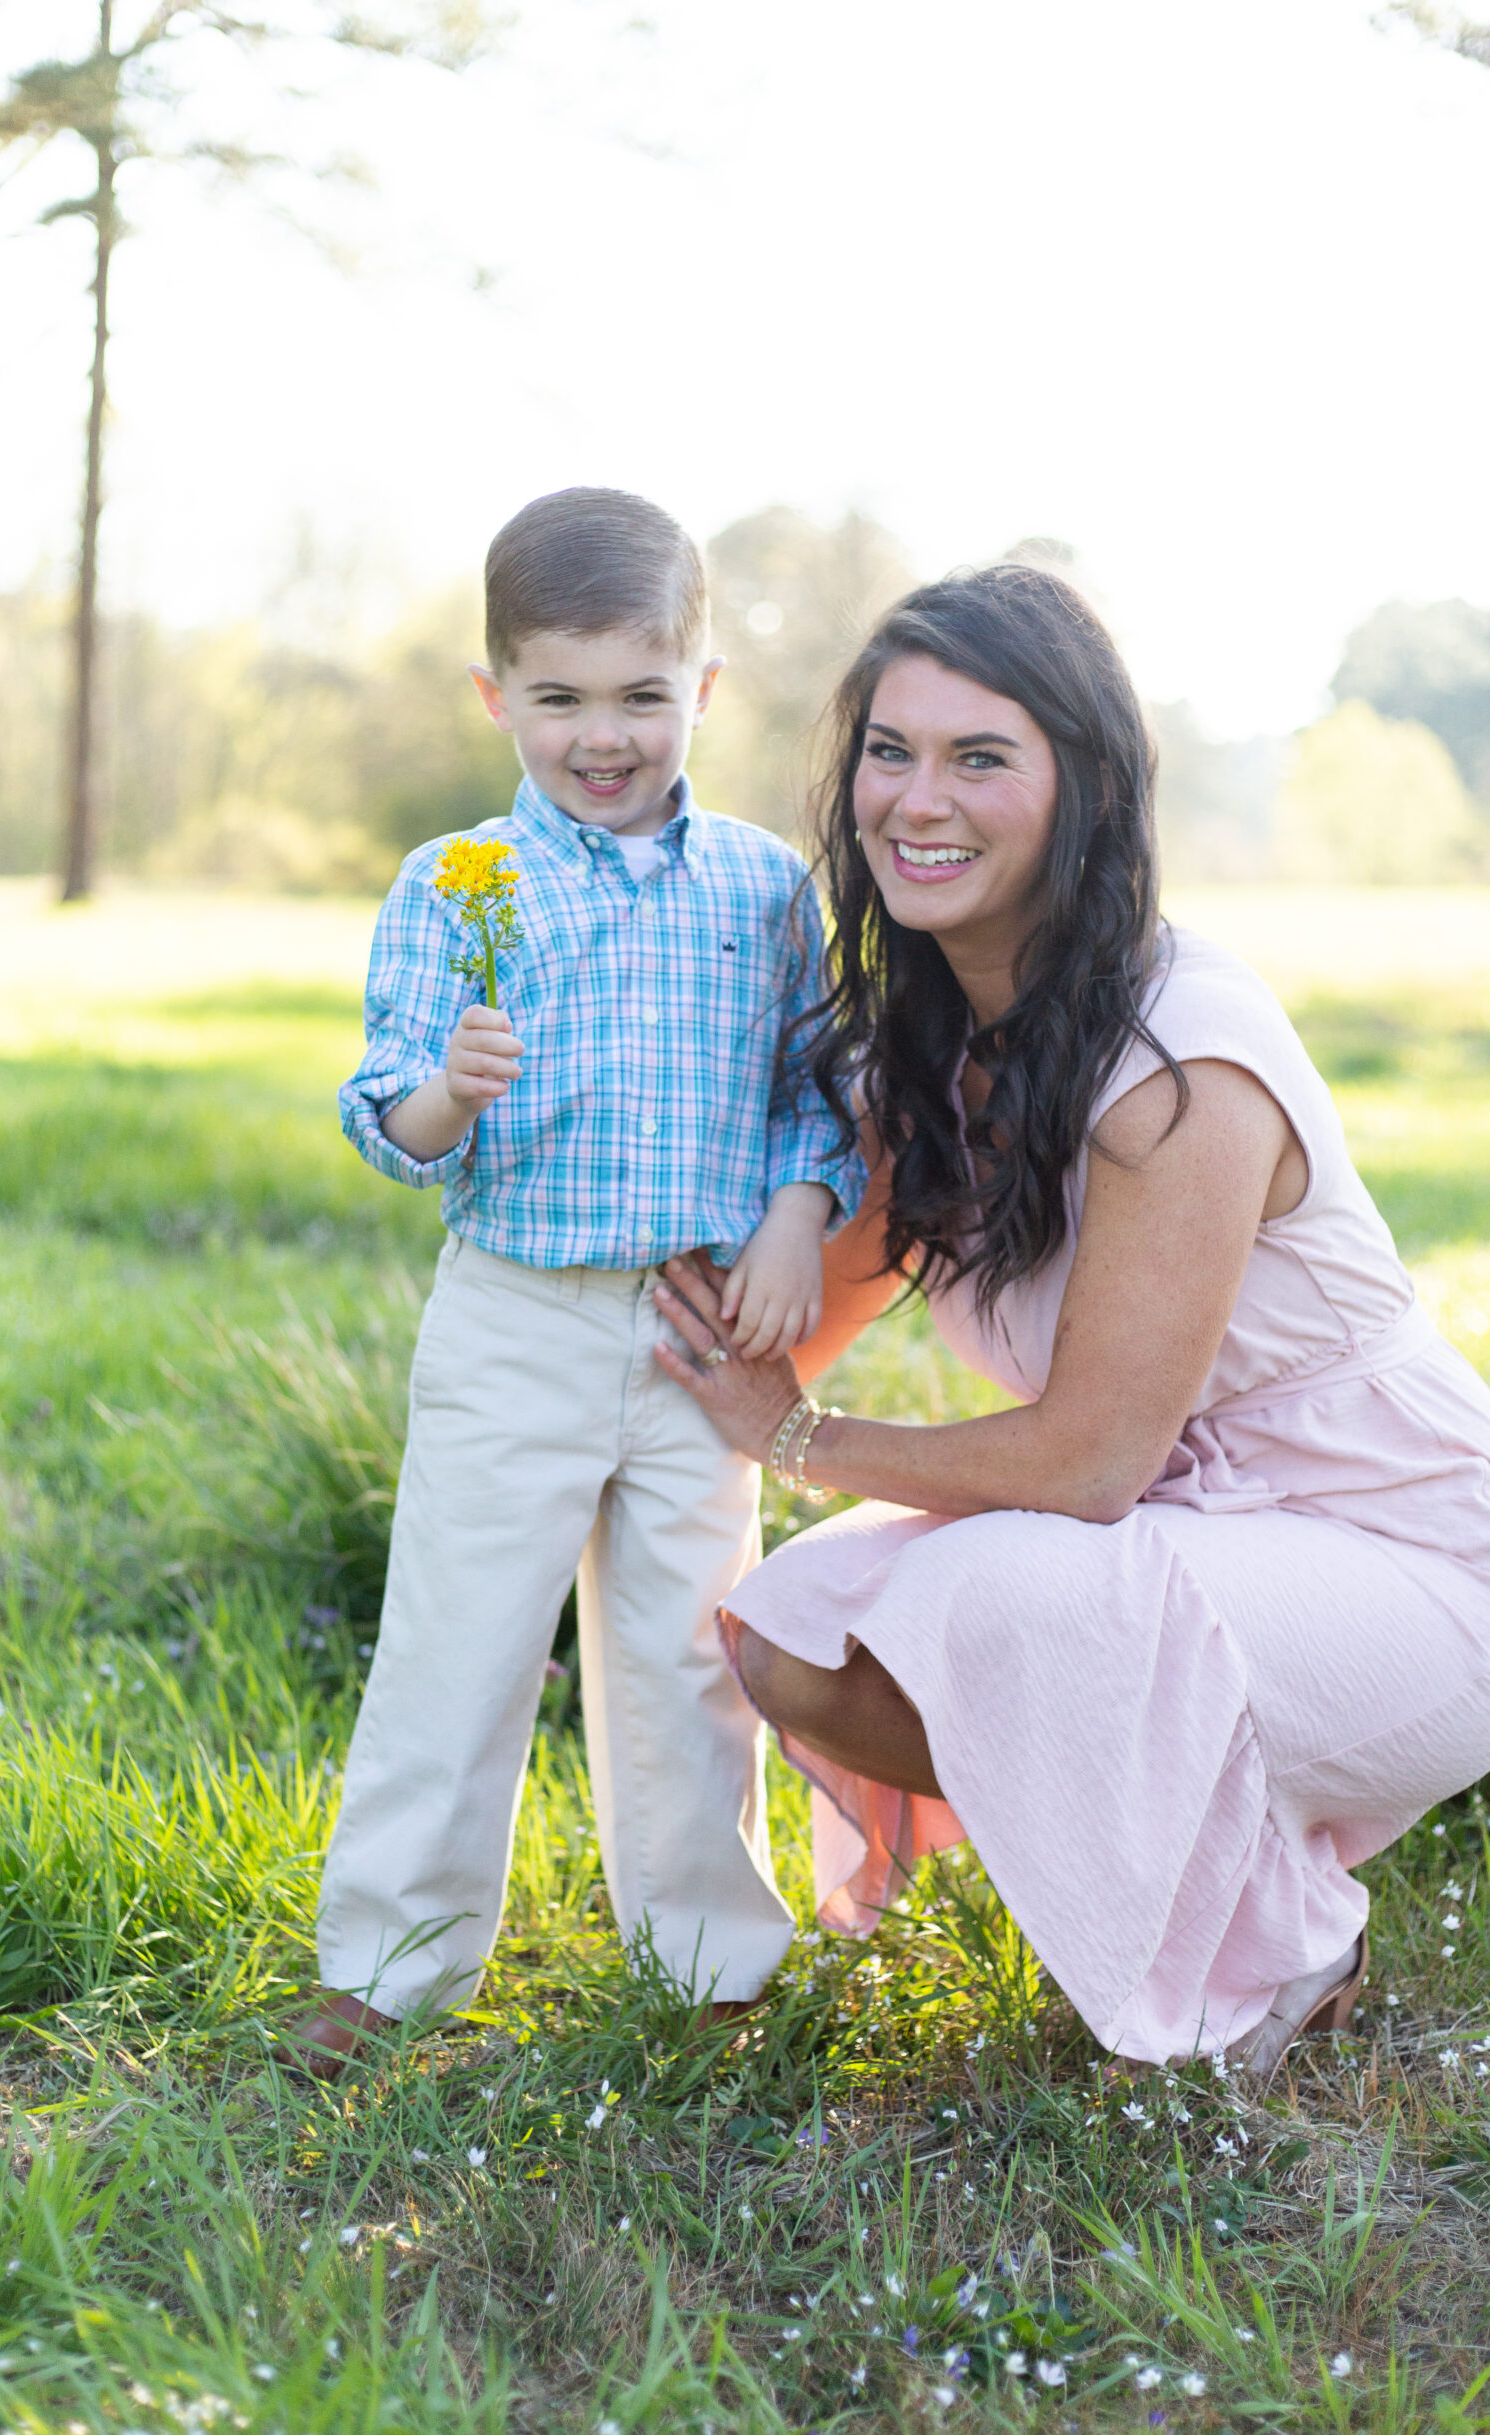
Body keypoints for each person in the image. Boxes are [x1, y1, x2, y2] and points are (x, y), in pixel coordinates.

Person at [654, 562, 1490, 2076]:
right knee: (796, 1633)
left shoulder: (1183, 1060)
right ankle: (1189, 1876)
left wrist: (801, 1440)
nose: (921, 800)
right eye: (891, 752)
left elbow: (1095, 1462)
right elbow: (780, 1327)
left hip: (1404, 1557)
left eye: (983, 758)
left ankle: (1286, 1942)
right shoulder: (917, 1050)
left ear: (1084, 790)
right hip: (1166, 1538)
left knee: (1019, 1601)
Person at [291, 487, 866, 2072]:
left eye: (640, 696)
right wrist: (451, 1094)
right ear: (498, 698)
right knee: (460, 1640)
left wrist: (801, 1214)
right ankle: (389, 1965)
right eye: (559, 699)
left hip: (698, 1327)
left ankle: (712, 1967)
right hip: (516, 1319)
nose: (601, 736)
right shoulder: (461, 884)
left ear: (704, 689)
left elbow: (813, 1096)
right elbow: (390, 1124)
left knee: (691, 1650)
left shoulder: (761, 891)